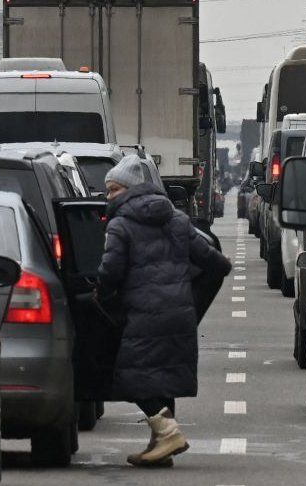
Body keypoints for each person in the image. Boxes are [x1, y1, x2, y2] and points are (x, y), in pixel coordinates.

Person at [96, 155, 232, 467]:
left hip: (143, 313)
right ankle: (162, 447)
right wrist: (193, 302)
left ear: (130, 190)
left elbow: (110, 271)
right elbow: (218, 265)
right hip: (178, 314)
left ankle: (168, 433)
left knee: (131, 378)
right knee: (164, 379)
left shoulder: (121, 224)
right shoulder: (177, 221)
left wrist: (101, 296)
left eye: (113, 190)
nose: (108, 197)